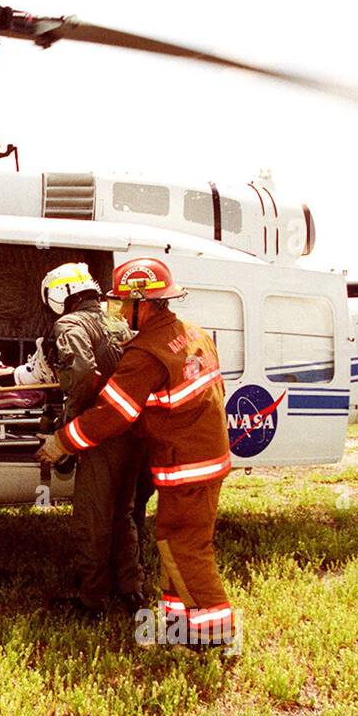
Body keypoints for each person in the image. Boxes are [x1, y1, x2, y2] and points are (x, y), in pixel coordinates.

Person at [38, 256, 234, 648]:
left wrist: (63, 440)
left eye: (123, 304)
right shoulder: (191, 333)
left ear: (143, 303)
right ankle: (182, 630)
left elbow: (114, 413)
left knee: (186, 548)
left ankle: (214, 636)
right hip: (206, 457)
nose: (118, 311)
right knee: (172, 544)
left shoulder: (146, 352)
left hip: (187, 465)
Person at [40, 261, 148, 617]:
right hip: (134, 429)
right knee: (124, 513)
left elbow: (82, 375)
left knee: (92, 516)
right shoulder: (117, 319)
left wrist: (69, 431)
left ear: (59, 295)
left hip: (102, 434)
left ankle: (91, 599)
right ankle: (131, 589)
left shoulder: (69, 324)